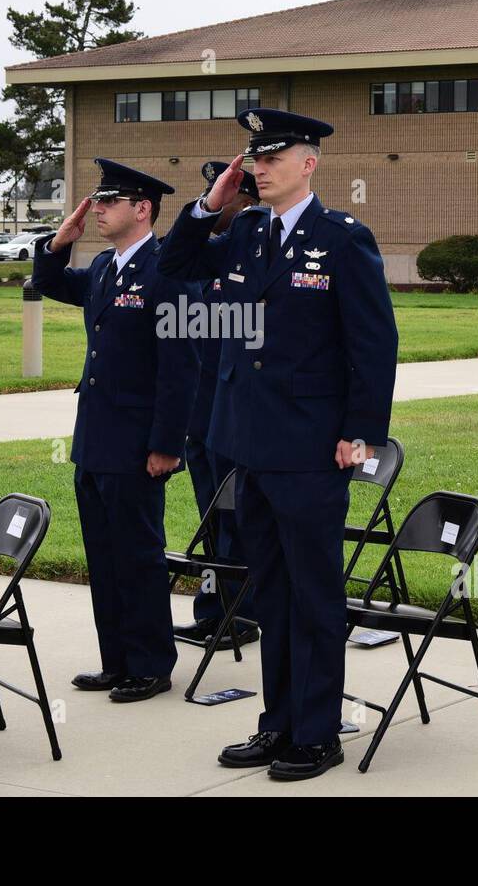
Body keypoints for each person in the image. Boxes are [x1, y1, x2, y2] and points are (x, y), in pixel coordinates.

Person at [159, 109, 398, 780]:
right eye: (254, 158)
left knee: (314, 593)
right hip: (248, 443)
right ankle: (278, 722)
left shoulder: (342, 238)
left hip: (313, 448)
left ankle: (317, 732)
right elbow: (175, 263)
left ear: (309, 162)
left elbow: (374, 346)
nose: (259, 168)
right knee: (269, 593)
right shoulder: (245, 232)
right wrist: (212, 200)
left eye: (272, 157)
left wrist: (361, 435)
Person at [32, 158, 199, 703]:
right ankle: (117, 660)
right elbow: (50, 282)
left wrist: (166, 445)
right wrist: (60, 242)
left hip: (137, 443)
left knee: (139, 555)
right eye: (98, 201)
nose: (98, 208)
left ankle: (151, 664)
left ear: (142, 209)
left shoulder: (169, 270)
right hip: (96, 439)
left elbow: (181, 367)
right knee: (104, 557)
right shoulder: (106, 266)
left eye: (109, 201)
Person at [175, 160, 260, 651]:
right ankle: (212, 611)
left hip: (234, 416)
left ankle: (243, 615)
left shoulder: (249, 262)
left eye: (222, 194)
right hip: (198, 416)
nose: (214, 200)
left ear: (245, 202)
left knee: (236, 520)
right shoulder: (203, 265)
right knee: (209, 519)